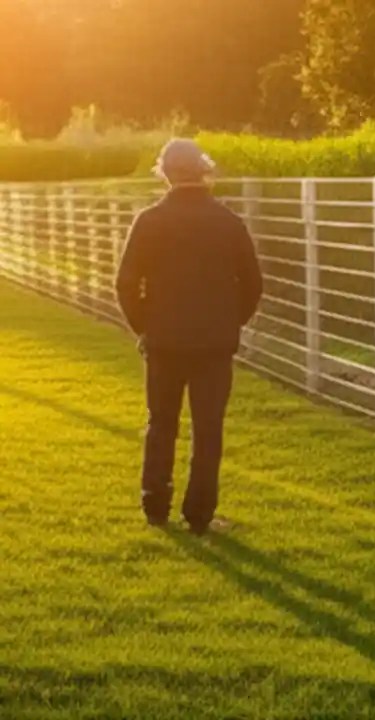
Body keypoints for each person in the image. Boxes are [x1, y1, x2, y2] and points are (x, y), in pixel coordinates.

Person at [115, 139, 263, 535]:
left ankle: (155, 504)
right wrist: (231, 321)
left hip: (163, 341)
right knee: (208, 428)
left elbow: (126, 283)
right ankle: (199, 512)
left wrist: (144, 326)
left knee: (161, 423)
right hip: (214, 343)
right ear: (203, 169)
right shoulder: (228, 222)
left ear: (165, 172)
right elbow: (252, 284)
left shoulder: (149, 221)